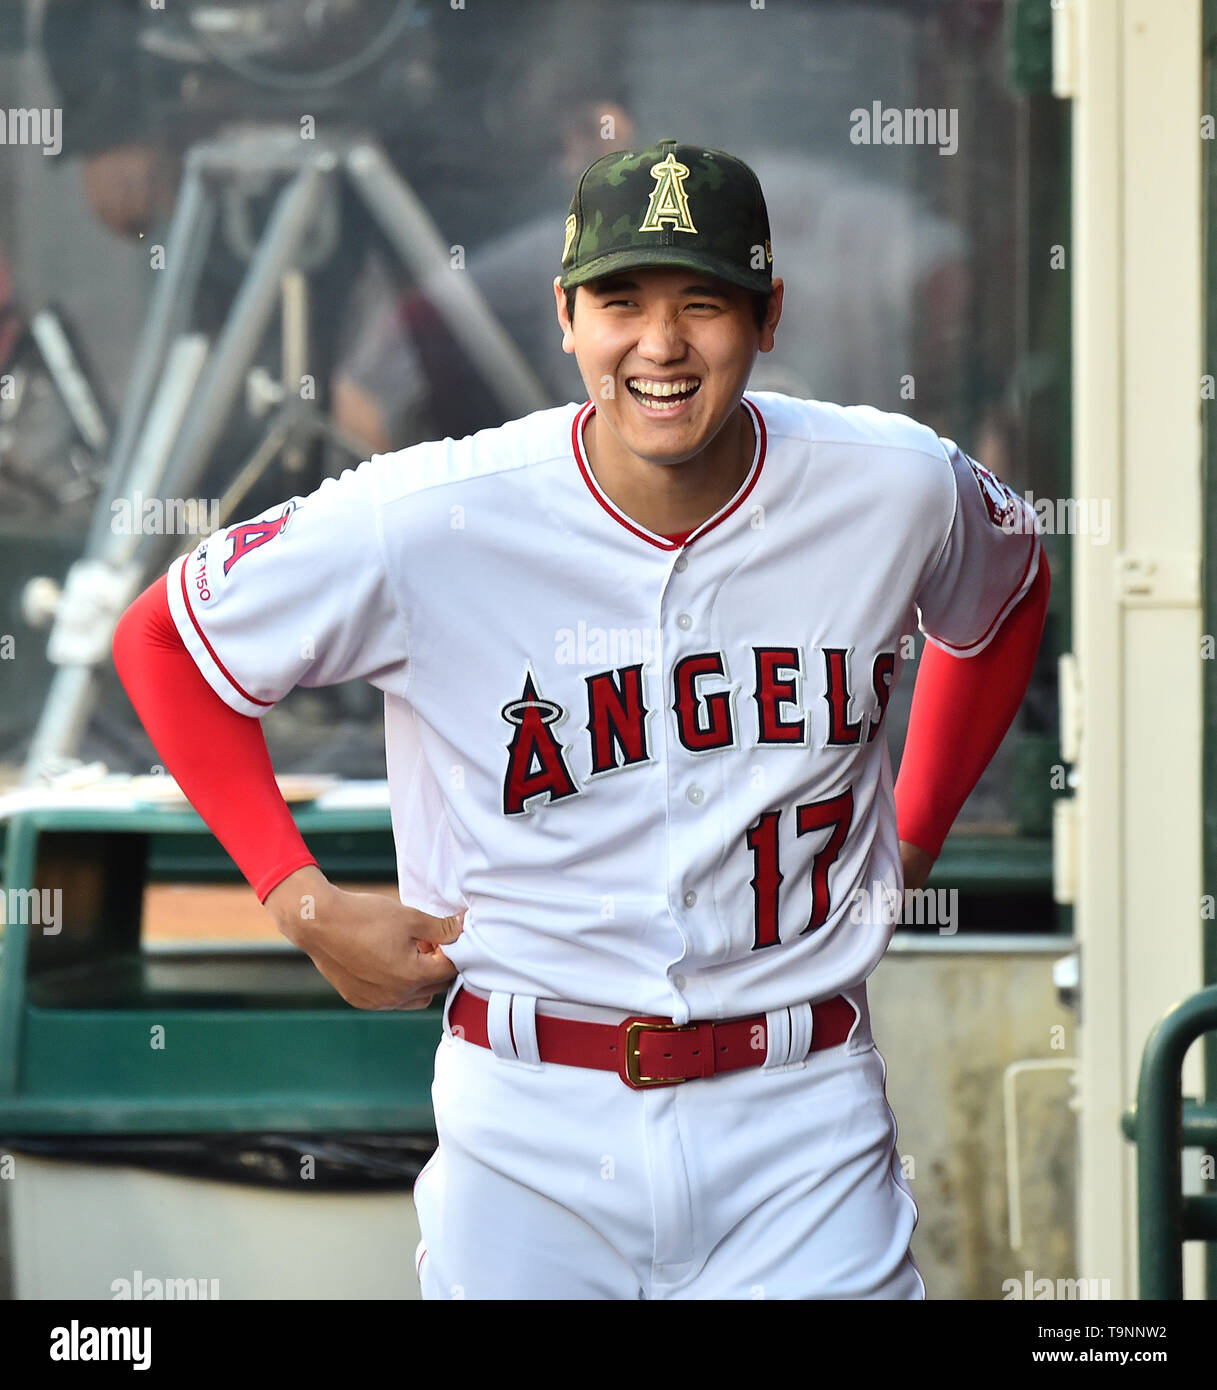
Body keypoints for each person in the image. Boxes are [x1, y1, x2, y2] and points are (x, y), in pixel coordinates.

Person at [113, 138, 1050, 1300]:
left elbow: (1005, 591)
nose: (658, 345)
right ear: (564, 316)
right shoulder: (433, 516)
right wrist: (298, 901)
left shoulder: (891, 484)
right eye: (619, 300)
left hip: (800, 1116)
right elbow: (161, 640)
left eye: (702, 303)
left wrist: (911, 836)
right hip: (530, 1126)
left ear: (768, 317)